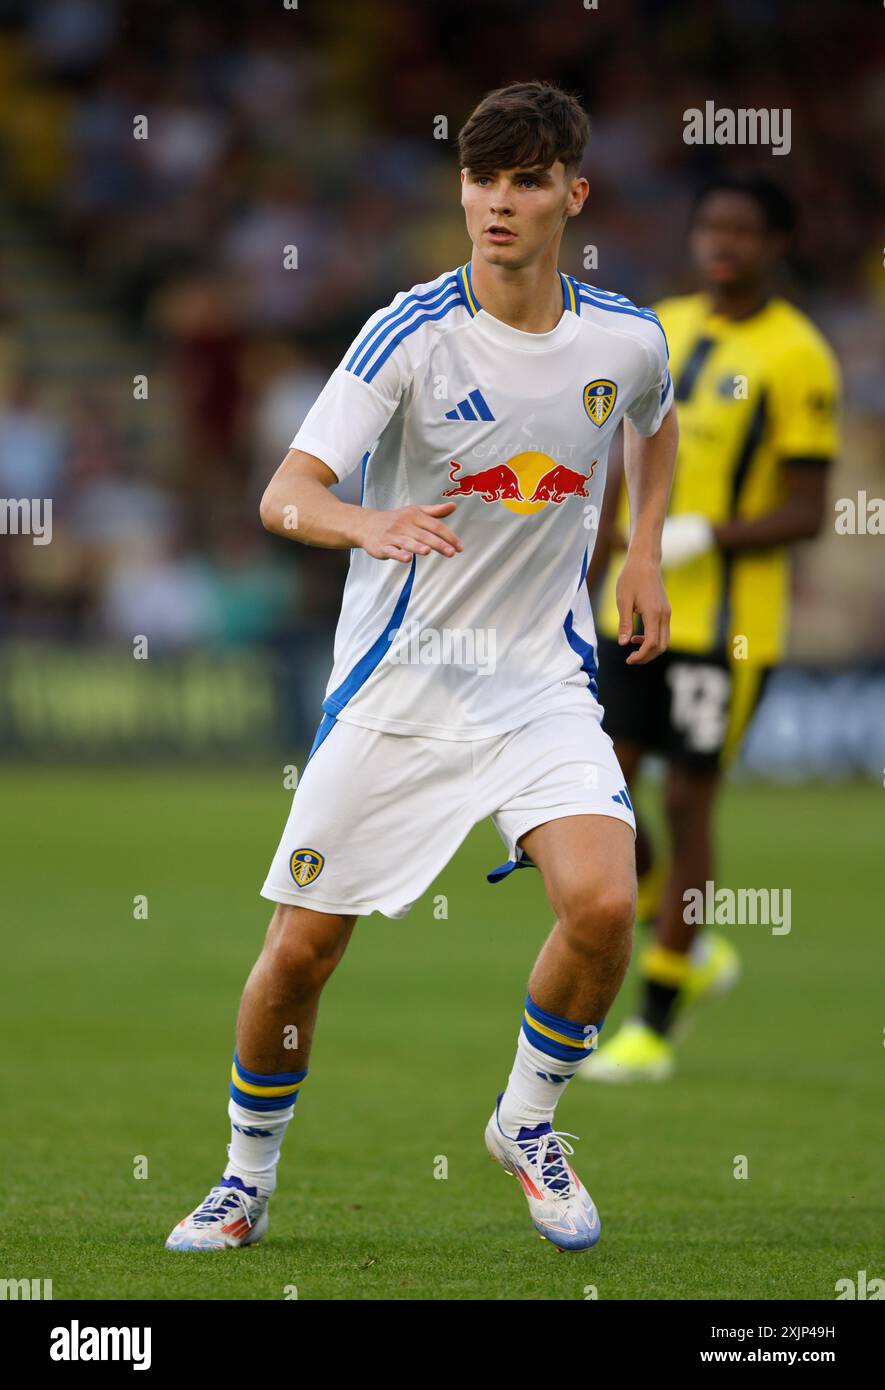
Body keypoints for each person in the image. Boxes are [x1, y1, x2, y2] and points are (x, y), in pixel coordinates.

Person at [166, 80, 677, 1255]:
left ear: (573, 196)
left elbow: (655, 418)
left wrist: (644, 547)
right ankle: (245, 1179)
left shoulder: (626, 339)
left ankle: (526, 1124)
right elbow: (285, 494)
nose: (498, 203)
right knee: (301, 954)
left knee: (606, 904)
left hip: (540, 684)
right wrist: (368, 522)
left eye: (526, 182)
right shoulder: (409, 334)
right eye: (481, 179)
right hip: (401, 690)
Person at [580, 175, 840, 1084]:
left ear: (778, 243)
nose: (721, 243)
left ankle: (653, 1022)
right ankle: (680, 936)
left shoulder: (798, 355)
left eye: (742, 230)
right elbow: (620, 455)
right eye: (709, 226)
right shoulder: (660, 327)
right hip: (629, 607)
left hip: (725, 630)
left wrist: (703, 535)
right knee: (601, 791)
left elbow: (807, 510)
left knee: (688, 803)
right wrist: (589, 562)